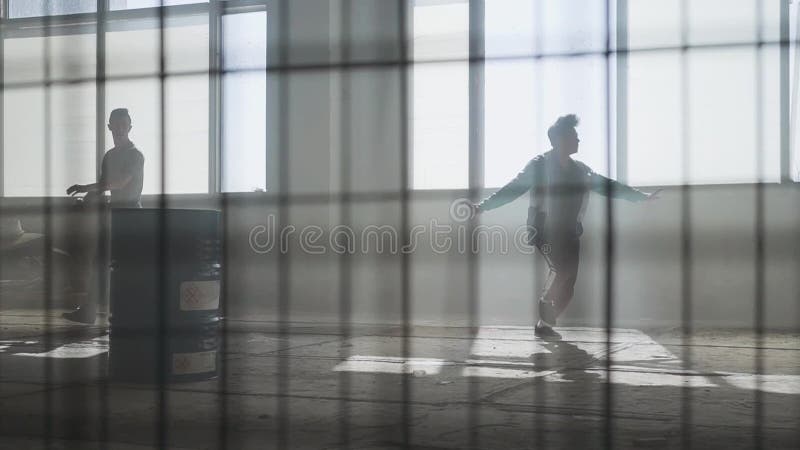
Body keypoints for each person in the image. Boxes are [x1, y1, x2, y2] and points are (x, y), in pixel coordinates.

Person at [471, 114, 660, 337]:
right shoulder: (540, 165)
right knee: (561, 270)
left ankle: (544, 325)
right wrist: (484, 206)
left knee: (569, 285)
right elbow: (514, 187)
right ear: (560, 140)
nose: (578, 141)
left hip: (570, 233)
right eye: (574, 136)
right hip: (543, 231)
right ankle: (544, 302)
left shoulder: (581, 170)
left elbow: (607, 185)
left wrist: (640, 197)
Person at [63, 108, 144, 324]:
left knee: (125, 267)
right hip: (113, 217)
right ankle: (90, 311)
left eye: (123, 124)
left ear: (129, 127)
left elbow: (119, 183)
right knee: (101, 262)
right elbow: (103, 185)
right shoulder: (109, 156)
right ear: (109, 127)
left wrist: (85, 187)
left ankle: (127, 313)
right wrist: (88, 196)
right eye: (115, 124)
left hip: (131, 218)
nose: (119, 128)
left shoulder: (135, 155)